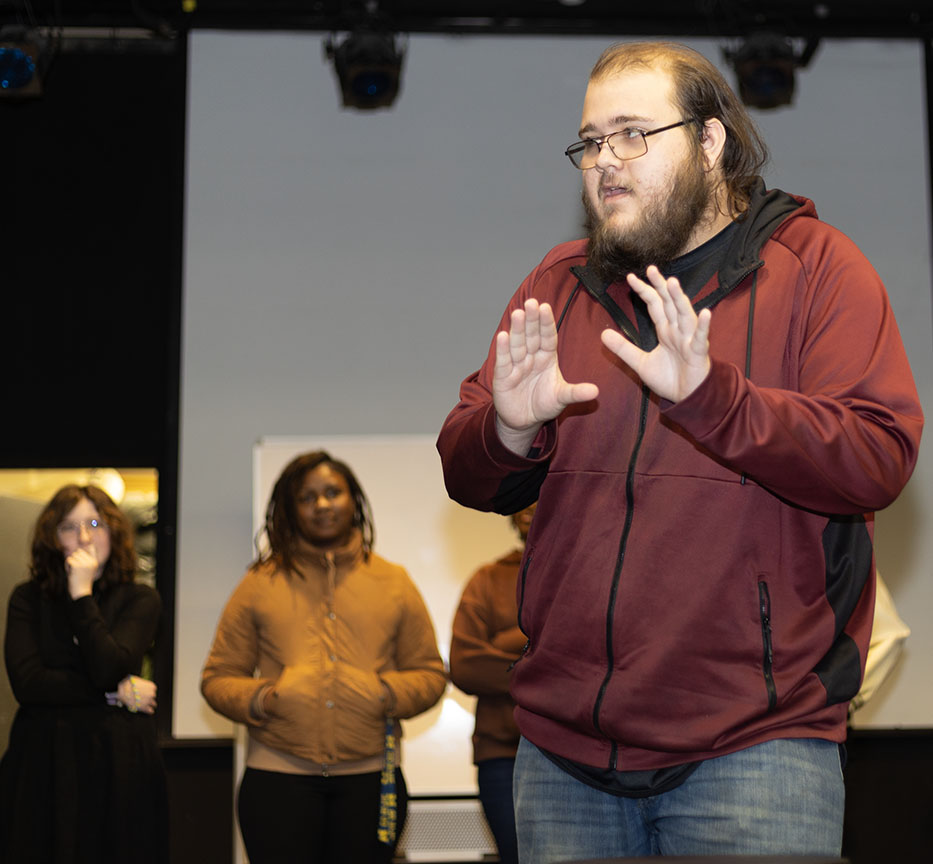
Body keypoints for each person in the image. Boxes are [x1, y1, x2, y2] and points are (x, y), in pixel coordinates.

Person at [436, 40, 923, 862]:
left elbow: (877, 454)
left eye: (631, 134)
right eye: (589, 142)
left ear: (709, 140)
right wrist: (508, 430)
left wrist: (715, 401)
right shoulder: (557, 284)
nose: (602, 163)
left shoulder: (819, 271)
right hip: (561, 757)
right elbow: (465, 464)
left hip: (755, 748)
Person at [201, 450, 447, 864]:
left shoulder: (394, 582)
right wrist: (267, 697)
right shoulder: (259, 583)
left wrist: (382, 693)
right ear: (290, 510)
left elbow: (430, 674)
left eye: (332, 492)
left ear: (354, 501)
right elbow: (218, 678)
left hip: (373, 780)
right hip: (277, 781)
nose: (321, 505)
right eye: (307, 497)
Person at [0, 484, 166, 864]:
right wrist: (114, 693)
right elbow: (29, 685)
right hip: (43, 763)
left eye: (95, 523)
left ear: (115, 532)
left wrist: (81, 595)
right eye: (68, 527)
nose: (85, 536)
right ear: (52, 538)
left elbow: (109, 666)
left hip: (117, 764)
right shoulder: (27, 598)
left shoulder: (141, 600)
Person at [449, 502, 535, 864]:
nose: (532, 504)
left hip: (576, 756)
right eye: (525, 494)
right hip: (502, 756)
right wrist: (536, 650)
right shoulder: (487, 580)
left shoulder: (590, 575)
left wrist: (503, 642)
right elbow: (466, 666)